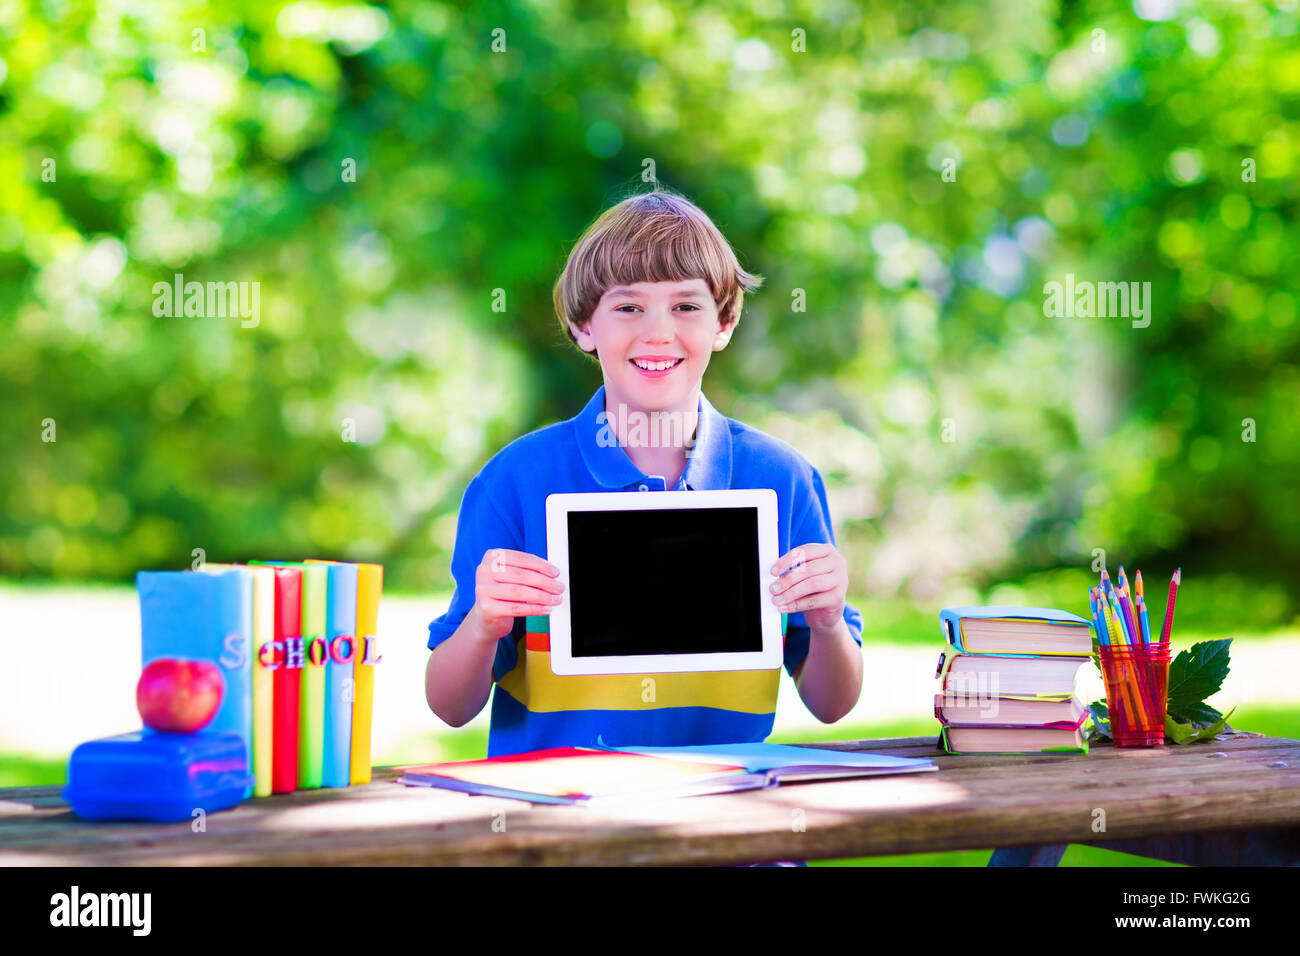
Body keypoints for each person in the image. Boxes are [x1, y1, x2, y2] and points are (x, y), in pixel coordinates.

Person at [425, 188, 864, 770]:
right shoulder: (515, 480)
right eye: (628, 307)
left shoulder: (781, 479)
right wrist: (483, 624)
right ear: (585, 326)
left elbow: (832, 704)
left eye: (686, 307)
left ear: (724, 323)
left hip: (729, 822)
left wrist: (829, 623)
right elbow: (450, 706)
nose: (658, 333)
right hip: (559, 827)